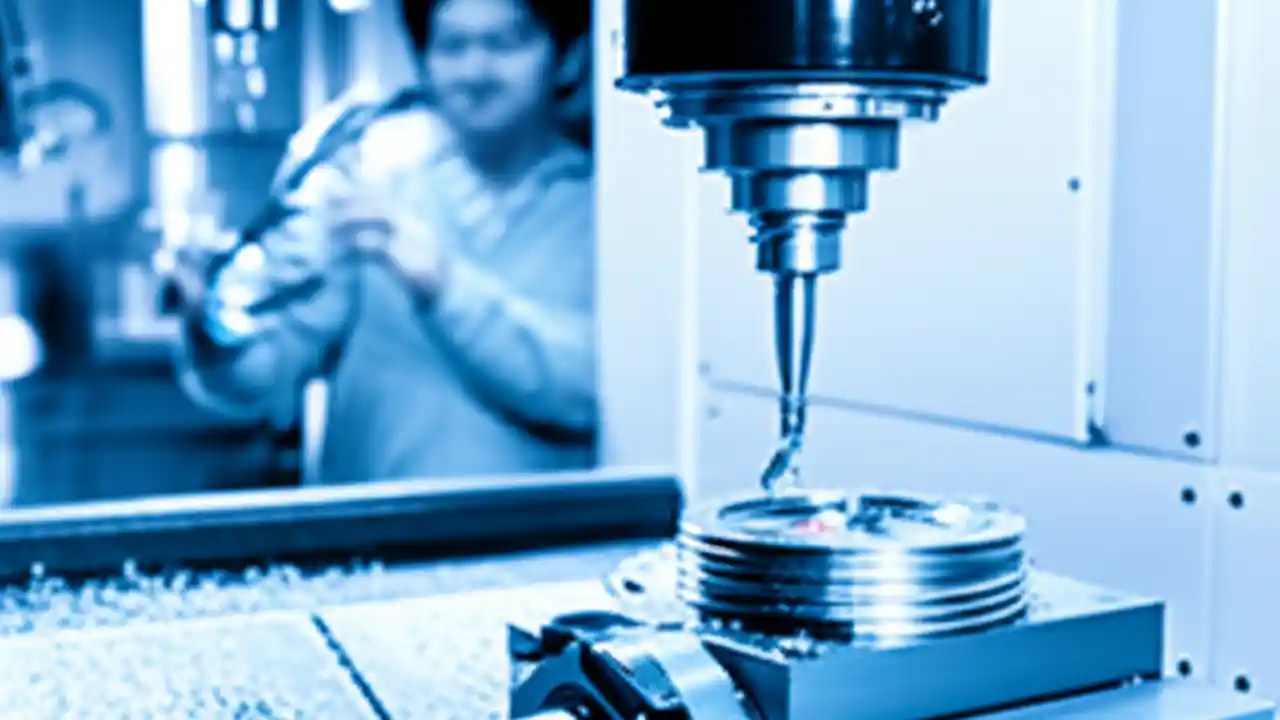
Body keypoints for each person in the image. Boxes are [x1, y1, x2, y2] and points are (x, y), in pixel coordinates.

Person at [172, 0, 597, 484]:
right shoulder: (367, 180)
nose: (476, 71)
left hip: (548, 544)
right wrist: (208, 326)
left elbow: (585, 394)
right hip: (370, 544)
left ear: (569, 56)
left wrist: (442, 285)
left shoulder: (606, 208)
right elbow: (262, 381)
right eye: (452, 45)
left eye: (504, 43)